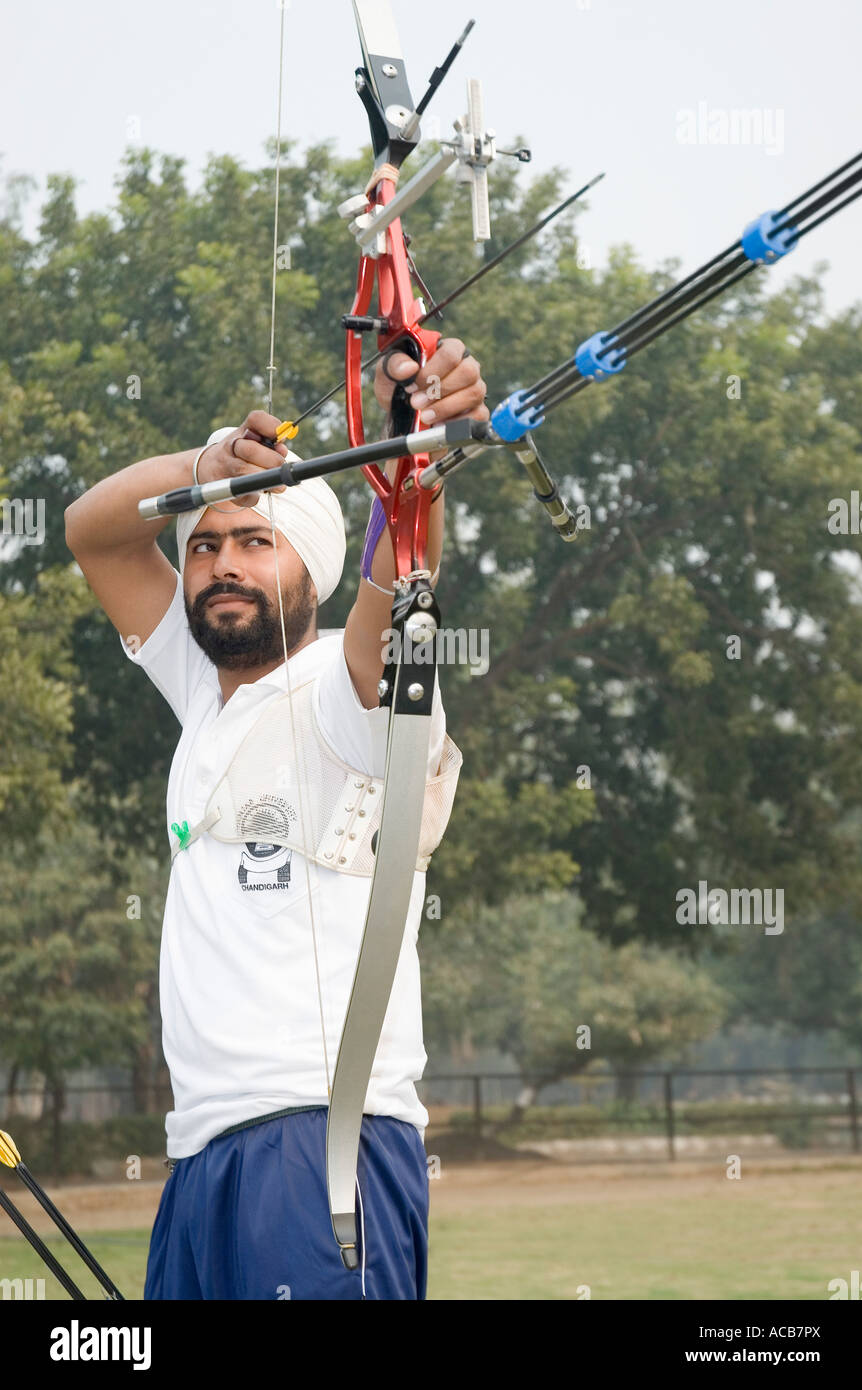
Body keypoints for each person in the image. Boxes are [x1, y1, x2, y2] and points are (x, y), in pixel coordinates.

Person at [64, 339, 488, 1301]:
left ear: (312, 569)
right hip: (202, 1154)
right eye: (203, 546)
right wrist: (203, 467)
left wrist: (413, 468)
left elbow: (394, 590)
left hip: (321, 1144)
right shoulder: (200, 691)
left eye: (255, 543)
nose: (221, 565)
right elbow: (91, 533)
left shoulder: (341, 689)